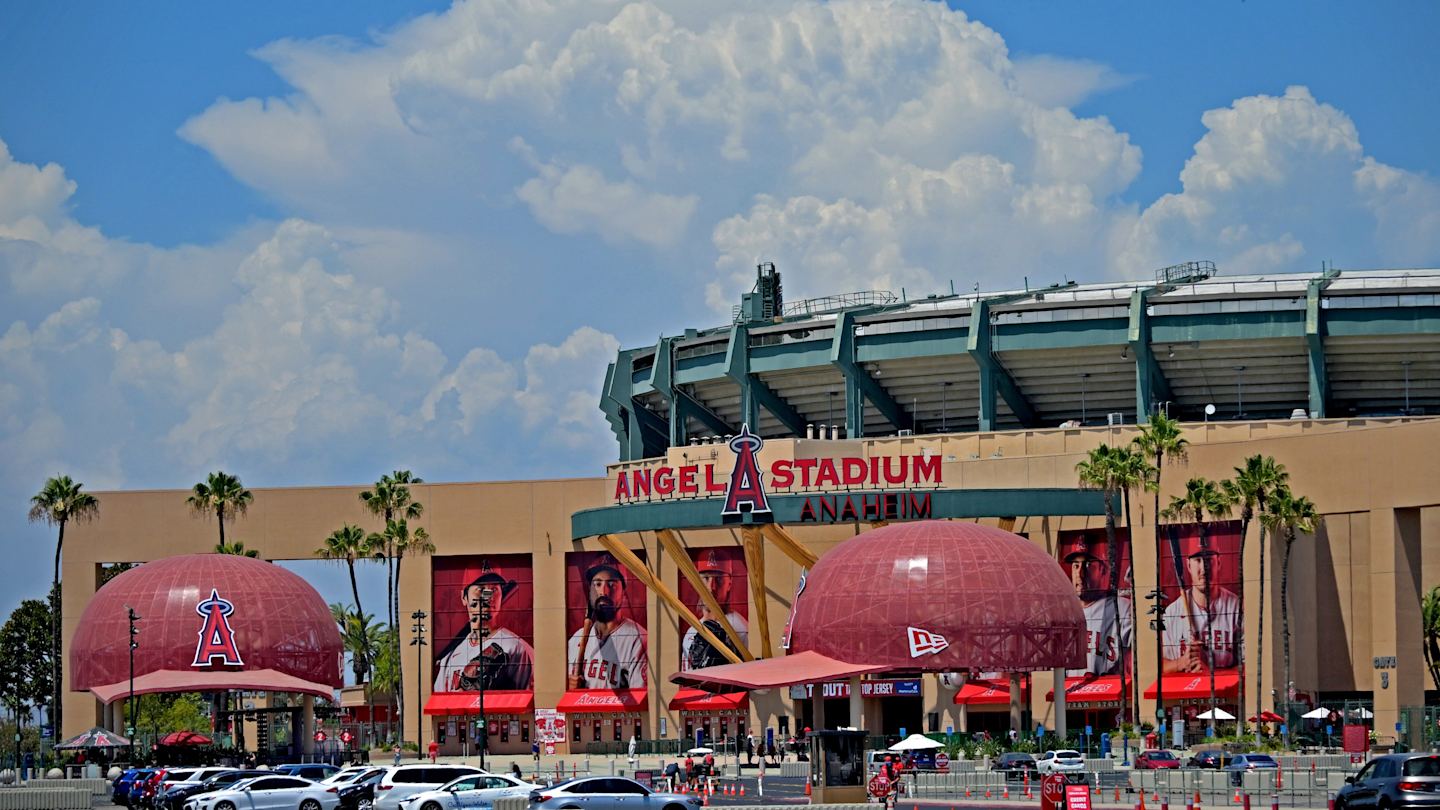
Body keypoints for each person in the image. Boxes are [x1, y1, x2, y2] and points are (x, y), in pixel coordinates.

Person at [434, 566, 536, 693]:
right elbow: (439, 704)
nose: (488, 596)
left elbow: (532, 702)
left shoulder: (517, 648)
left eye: (494, 589)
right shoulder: (449, 657)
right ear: (464, 597)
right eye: (481, 589)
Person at [1162, 534, 1242, 673]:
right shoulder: (1172, 612)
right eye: (1198, 560)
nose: (1204, 569)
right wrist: (1180, 663)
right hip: (1184, 692)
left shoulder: (1236, 607)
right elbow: (1158, 666)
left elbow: (1250, 666)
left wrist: (1211, 674)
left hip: (1224, 693)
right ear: (1188, 565)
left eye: (1208, 560)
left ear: (1218, 562)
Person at [567, 555, 649, 689]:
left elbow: (641, 700)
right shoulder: (576, 639)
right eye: (597, 584)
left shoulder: (638, 640)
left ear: (624, 592)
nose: (604, 591)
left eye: (611, 584)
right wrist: (568, 688)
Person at [1060, 535, 1133, 677]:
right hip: (1071, 694)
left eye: (1088, 566)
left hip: (1110, 693)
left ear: (1102, 570)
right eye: (1076, 566)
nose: (1080, 574)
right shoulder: (1063, 613)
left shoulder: (1122, 608)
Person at [681, 551, 749, 671]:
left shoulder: (741, 628)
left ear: (729, 583)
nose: (711, 587)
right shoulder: (691, 632)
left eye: (719, 579)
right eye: (706, 578)